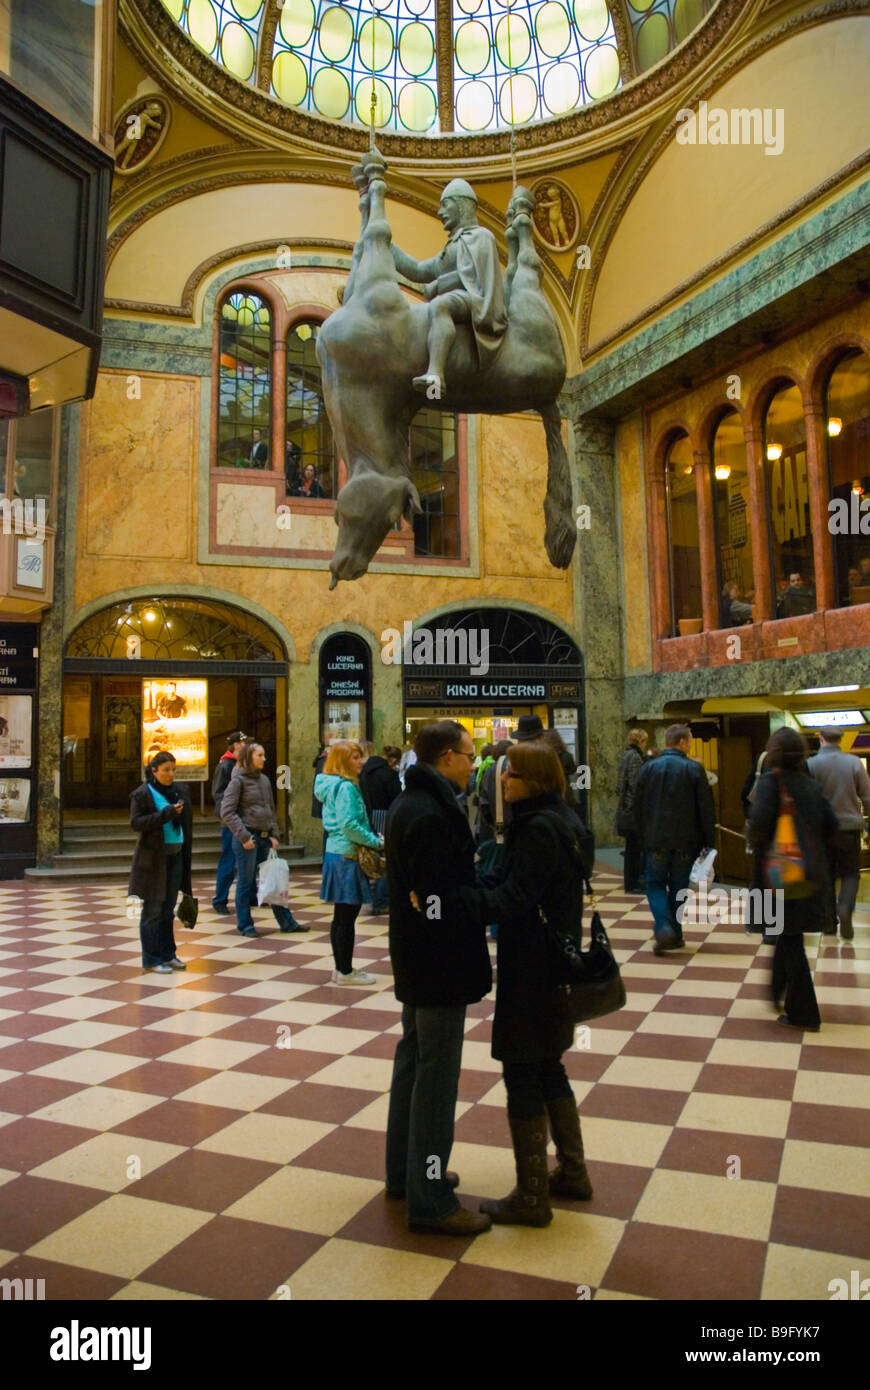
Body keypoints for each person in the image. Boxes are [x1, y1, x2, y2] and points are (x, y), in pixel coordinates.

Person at [459, 741, 594, 1226]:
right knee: (548, 1066)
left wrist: (458, 906)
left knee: (521, 1068)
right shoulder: (558, 820)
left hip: (533, 966)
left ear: (533, 779)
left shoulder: (537, 828)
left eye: (512, 775)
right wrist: (477, 887)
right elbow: (506, 881)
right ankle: (573, 1173)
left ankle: (532, 1197)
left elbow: (516, 897)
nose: (504, 781)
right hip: (553, 960)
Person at [385, 720, 493, 1235]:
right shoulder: (430, 812)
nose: (474, 765)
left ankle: (406, 1173)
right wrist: (486, 900)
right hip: (438, 962)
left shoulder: (415, 802)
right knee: (436, 1076)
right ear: (447, 757)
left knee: (413, 1062)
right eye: (469, 756)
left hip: (418, 958)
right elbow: (436, 902)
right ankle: (429, 1199)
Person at [748, 728, 839, 1030]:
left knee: (788, 938)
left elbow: (759, 827)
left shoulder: (772, 783)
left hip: (779, 877)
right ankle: (778, 992)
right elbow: (831, 824)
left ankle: (804, 1013)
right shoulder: (810, 785)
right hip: (809, 874)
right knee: (789, 936)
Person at [390, 177, 507, 399]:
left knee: (440, 306)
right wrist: (390, 247)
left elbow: (474, 280)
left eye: (445, 204)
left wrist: (439, 285)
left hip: (478, 302)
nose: (440, 211)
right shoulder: (452, 245)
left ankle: (436, 375)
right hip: (462, 297)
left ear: (461, 205)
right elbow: (419, 270)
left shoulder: (481, 237)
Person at [632, 723, 716, 953]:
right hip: (686, 841)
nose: (689, 744)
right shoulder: (694, 769)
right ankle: (674, 932)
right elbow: (705, 809)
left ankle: (664, 927)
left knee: (655, 883)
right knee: (679, 886)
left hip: (655, 839)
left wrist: (641, 835)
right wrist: (709, 840)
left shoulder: (648, 768)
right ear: (682, 743)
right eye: (689, 740)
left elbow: (637, 806)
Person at [314, 740, 384, 984]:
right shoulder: (345, 788)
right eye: (355, 757)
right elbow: (350, 825)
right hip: (347, 855)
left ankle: (340, 968)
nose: (360, 762)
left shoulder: (329, 785)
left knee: (341, 916)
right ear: (343, 761)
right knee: (347, 917)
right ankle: (345, 971)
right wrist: (376, 842)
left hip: (335, 852)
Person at [221, 741, 306, 938]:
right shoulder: (238, 781)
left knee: (274, 880)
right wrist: (243, 836)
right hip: (248, 839)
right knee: (246, 882)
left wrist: (275, 834)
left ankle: (287, 922)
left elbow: (270, 809)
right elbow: (227, 812)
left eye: (264, 755)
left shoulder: (265, 780)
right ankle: (245, 925)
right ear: (249, 757)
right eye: (260, 755)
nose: (264, 759)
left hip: (264, 838)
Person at [129, 752, 193, 973]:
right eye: (166, 770)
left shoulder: (179, 791)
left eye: (173, 769)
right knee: (153, 910)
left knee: (168, 909)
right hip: (154, 859)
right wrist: (166, 814)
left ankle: (168, 954)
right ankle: (151, 959)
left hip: (175, 855)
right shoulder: (142, 794)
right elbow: (136, 823)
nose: (170, 774)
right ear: (154, 770)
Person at [808, 726, 870, 939]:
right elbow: (867, 796)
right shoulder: (853, 763)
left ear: (821, 739)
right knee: (851, 873)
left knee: (825, 875)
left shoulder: (811, 764)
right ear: (841, 740)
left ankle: (828, 922)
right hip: (850, 828)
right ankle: (845, 909)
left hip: (821, 830)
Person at [359, 742, 402, 915]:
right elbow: (397, 797)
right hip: (386, 816)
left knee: (373, 859)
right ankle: (382, 900)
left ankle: (370, 897)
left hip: (369, 816)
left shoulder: (364, 772)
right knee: (387, 859)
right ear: (392, 759)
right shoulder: (388, 774)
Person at [211, 731, 246, 914]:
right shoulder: (226, 765)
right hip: (231, 820)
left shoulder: (242, 765)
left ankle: (251, 896)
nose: (245, 745)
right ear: (235, 745)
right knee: (229, 860)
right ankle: (220, 899)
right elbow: (218, 794)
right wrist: (228, 814)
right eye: (243, 742)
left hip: (243, 819)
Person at [615, 729, 648, 892]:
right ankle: (633, 883)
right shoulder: (635, 757)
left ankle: (631, 882)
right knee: (634, 849)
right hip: (633, 810)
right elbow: (635, 785)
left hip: (626, 807)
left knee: (631, 849)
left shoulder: (625, 755)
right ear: (640, 741)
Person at [540, 727, 578, 806]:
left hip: (547, 792)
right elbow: (572, 770)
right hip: (564, 791)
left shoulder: (543, 756)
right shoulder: (567, 755)